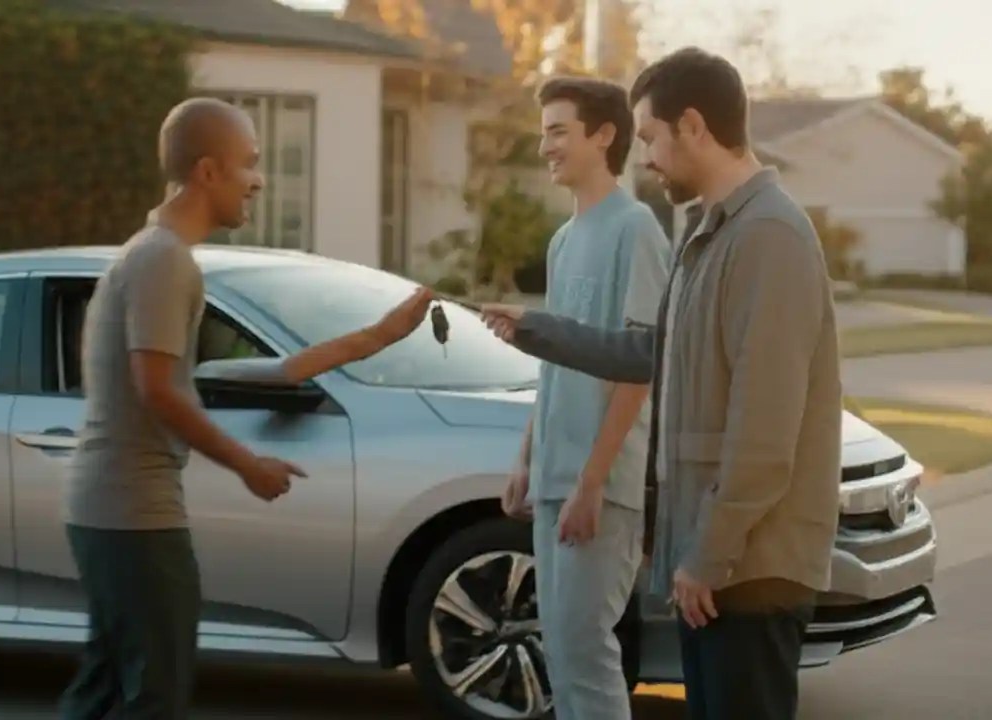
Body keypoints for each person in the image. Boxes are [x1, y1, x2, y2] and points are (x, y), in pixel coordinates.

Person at [482, 47, 842, 720]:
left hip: (751, 569)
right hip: (715, 566)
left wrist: (706, 555)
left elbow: (764, 430)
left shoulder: (770, 236)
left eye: (650, 137)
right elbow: (648, 353)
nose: (645, 157)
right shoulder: (709, 234)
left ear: (694, 127)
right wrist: (535, 330)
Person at [60, 97, 434, 720]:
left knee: (104, 689)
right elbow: (157, 389)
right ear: (209, 172)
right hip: (132, 512)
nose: (261, 180)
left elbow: (260, 371)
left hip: (114, 511)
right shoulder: (163, 261)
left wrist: (380, 336)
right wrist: (247, 465)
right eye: (250, 164)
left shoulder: (155, 255)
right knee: (153, 694)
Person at [504, 76, 670, 720]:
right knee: (563, 652)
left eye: (557, 131)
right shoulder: (564, 240)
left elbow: (638, 369)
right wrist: (526, 458)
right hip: (553, 476)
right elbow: (551, 362)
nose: (544, 145)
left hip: (601, 486)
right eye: (543, 131)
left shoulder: (637, 230)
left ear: (603, 135)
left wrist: (593, 482)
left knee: (587, 650)